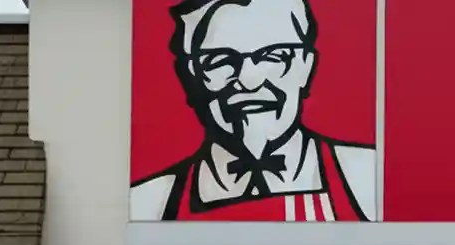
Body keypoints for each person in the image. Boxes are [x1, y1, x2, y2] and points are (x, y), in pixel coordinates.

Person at [131, 0, 376, 221]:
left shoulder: (365, 175)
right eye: (221, 60)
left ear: (306, 66)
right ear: (192, 75)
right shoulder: (153, 201)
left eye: (275, 56)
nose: (249, 81)